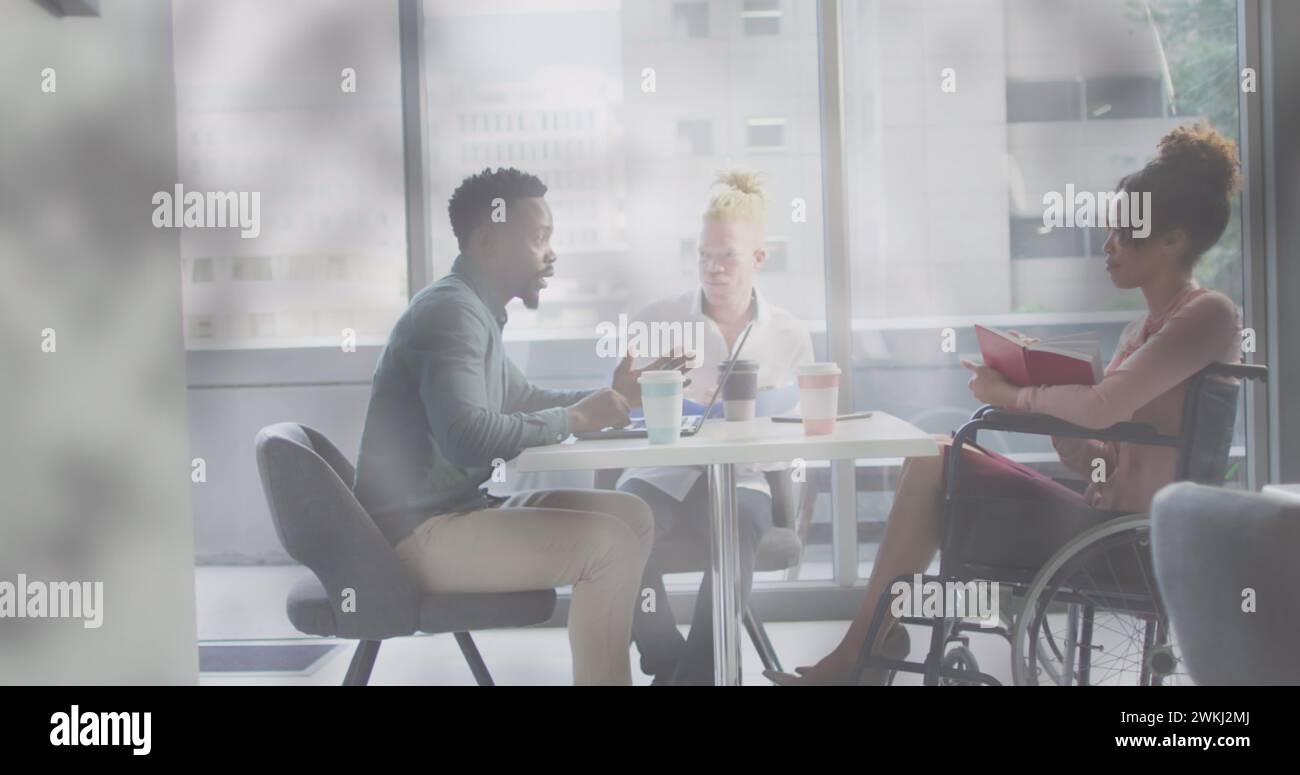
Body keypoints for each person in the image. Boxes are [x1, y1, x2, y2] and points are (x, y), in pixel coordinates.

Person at [766, 123, 1244, 685]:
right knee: (936, 455)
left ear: (1173, 240)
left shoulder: (1208, 315)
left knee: (937, 459)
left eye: (1125, 233)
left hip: (1131, 538)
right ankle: (872, 639)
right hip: (1101, 521)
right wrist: (1043, 397)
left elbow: (1104, 404)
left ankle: (864, 648)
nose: (1107, 246)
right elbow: (1100, 455)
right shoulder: (1143, 330)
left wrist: (1013, 395)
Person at [352, 167, 687, 685]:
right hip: (415, 538)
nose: (551, 254)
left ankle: (665, 670)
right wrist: (577, 418)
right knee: (610, 545)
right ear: (488, 240)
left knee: (632, 514)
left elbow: (523, 400)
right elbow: (468, 439)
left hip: (454, 513)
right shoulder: (450, 314)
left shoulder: (472, 310)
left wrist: (616, 398)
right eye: (539, 238)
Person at [617, 169, 815, 685]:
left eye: (727, 255)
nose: (713, 267)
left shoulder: (789, 333)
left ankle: (698, 677)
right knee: (618, 531)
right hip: (661, 472)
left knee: (740, 528)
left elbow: (798, 428)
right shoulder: (658, 318)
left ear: (757, 258)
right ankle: (669, 663)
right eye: (704, 254)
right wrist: (659, 399)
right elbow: (620, 410)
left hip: (744, 476)